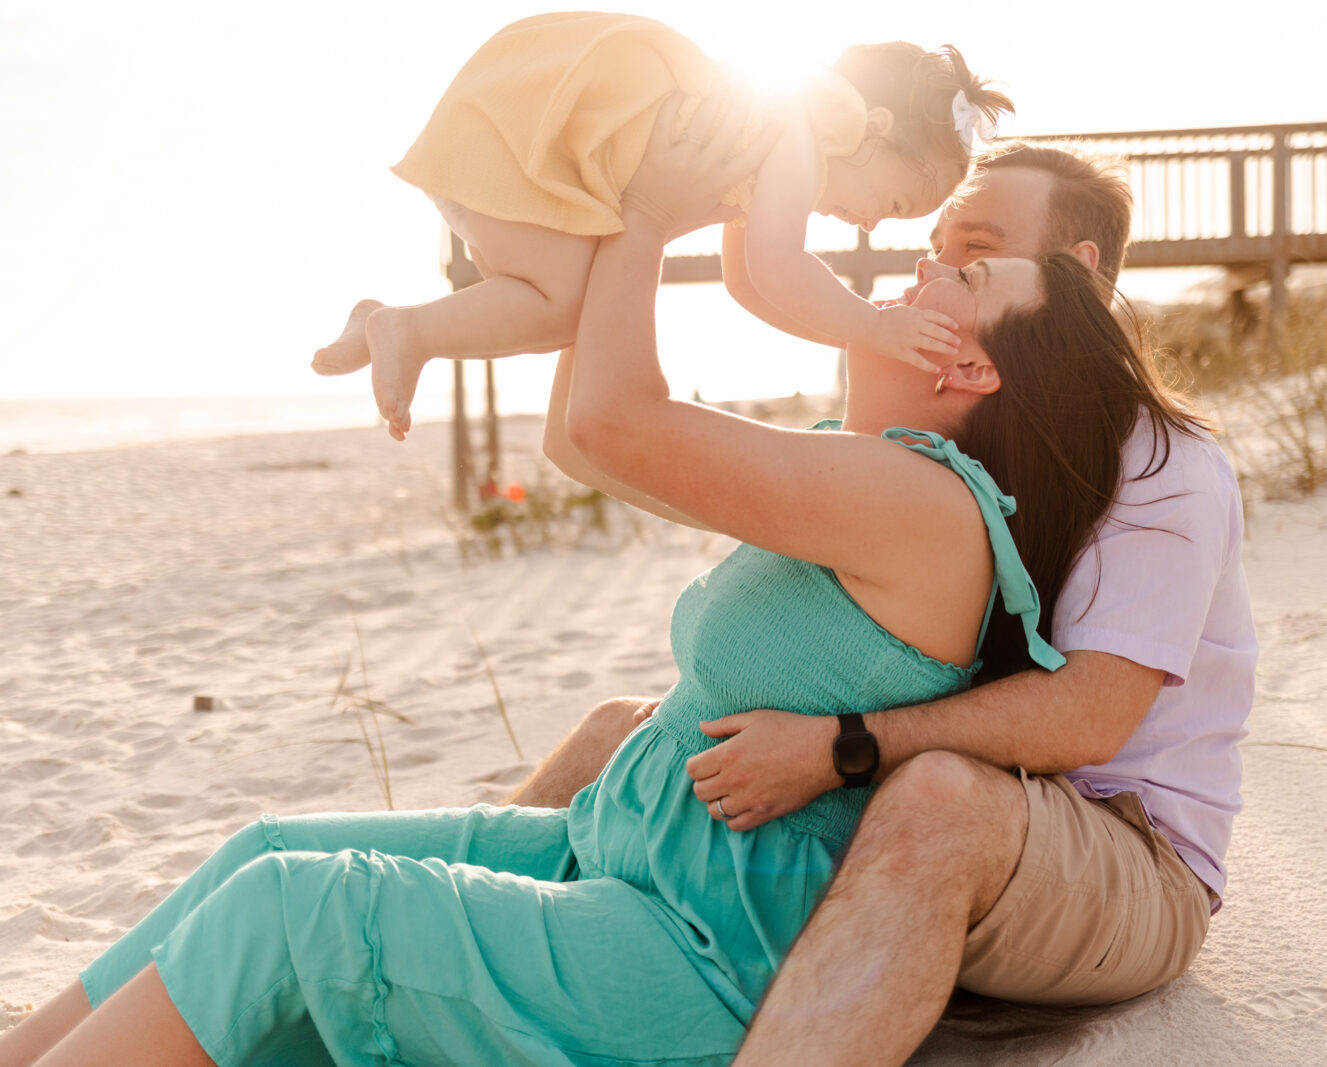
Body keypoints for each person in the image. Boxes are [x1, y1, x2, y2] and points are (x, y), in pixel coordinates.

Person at [0, 100, 1185, 1067]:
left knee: (298, 907)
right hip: (611, 854)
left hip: (689, 947)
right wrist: (625, 235)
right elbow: (585, 438)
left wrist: (643, 215)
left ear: (965, 360)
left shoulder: (925, 507)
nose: (919, 272)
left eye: (959, 280)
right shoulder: (859, 468)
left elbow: (617, 420)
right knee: (265, 850)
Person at [517, 140, 1257, 1066]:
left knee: (937, 800)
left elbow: (1091, 716)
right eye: (939, 245)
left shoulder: (1160, 463)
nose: (935, 270)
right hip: (934, 788)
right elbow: (599, 443)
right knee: (633, 731)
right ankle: (458, 929)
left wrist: (843, 748)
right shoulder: (941, 434)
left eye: (974, 255)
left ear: (1070, 273)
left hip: (1123, 851)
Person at [309, 11, 1012, 441]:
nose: (868, 226)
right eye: (890, 205)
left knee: (569, 305)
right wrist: (872, 327)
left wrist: (851, 330)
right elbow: (778, 266)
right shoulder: (802, 128)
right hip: (521, 142)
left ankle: (385, 319)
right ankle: (408, 330)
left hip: (515, 137)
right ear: (874, 129)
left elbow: (748, 284)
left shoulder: (774, 137)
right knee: (571, 305)